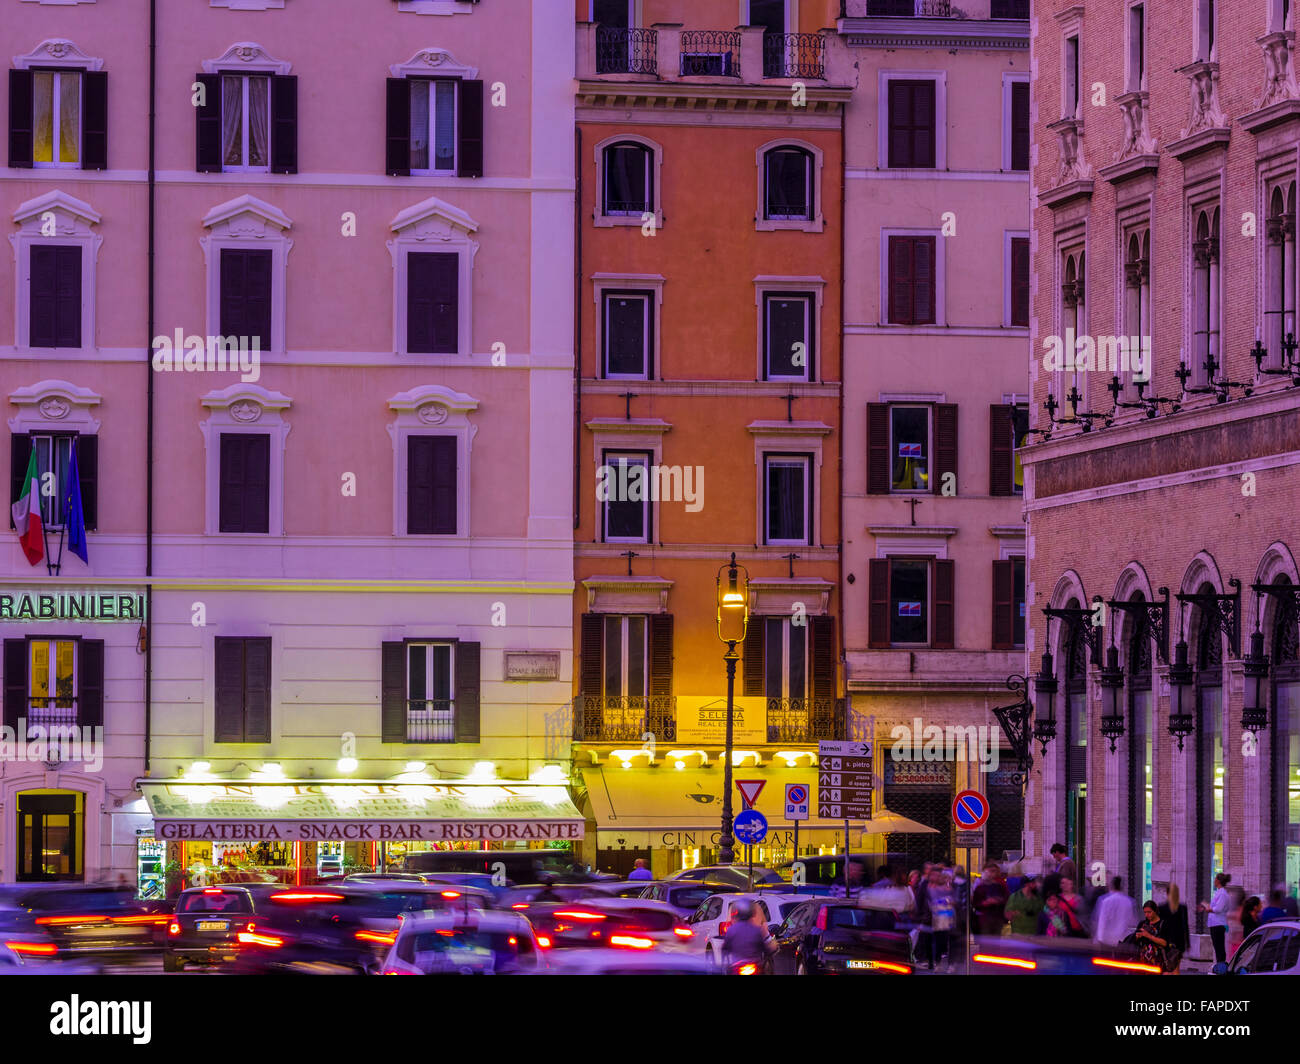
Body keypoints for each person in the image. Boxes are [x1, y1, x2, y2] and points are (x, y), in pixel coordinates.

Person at [722, 900, 776, 972]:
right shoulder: (756, 929)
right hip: (754, 964)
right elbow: (764, 947)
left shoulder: (731, 930)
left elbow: (725, 947)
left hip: (738, 965)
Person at [1092, 875, 1139, 947]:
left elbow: (1102, 921)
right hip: (1122, 939)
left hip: (1107, 940)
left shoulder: (1105, 900)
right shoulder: (1129, 901)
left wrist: (1099, 938)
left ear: (1112, 885)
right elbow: (1132, 921)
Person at [1199, 872, 1231, 965]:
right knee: (1217, 947)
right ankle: (1219, 965)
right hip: (1214, 923)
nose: (1214, 881)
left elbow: (1218, 908)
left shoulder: (1223, 894)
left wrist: (1209, 909)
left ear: (1218, 881)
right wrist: (1207, 907)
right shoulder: (1219, 892)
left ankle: (1221, 966)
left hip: (1218, 924)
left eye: (1215, 879)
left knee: (1219, 947)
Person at [1158, 884, 1190, 974]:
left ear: (1167, 893)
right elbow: (1185, 926)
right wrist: (1187, 943)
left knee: (1166, 967)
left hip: (1165, 942)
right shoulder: (1182, 908)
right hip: (1179, 943)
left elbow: (1160, 926)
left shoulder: (1161, 908)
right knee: (1176, 968)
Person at [971, 861, 1009, 935]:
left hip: (997, 917)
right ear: (985, 871)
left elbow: (1006, 898)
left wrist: (998, 901)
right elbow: (975, 902)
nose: (992, 874)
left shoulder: (1000, 886)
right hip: (984, 918)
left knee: (996, 940)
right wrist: (984, 903)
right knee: (985, 940)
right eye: (990, 871)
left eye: (994, 871)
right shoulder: (980, 887)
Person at [1134, 900, 1171, 972]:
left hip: (1158, 961)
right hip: (1143, 961)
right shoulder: (1143, 923)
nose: (1147, 915)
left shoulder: (1163, 924)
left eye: (1149, 912)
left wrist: (1148, 936)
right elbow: (1136, 940)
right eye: (1145, 912)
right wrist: (1137, 936)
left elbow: (1164, 943)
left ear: (1155, 911)